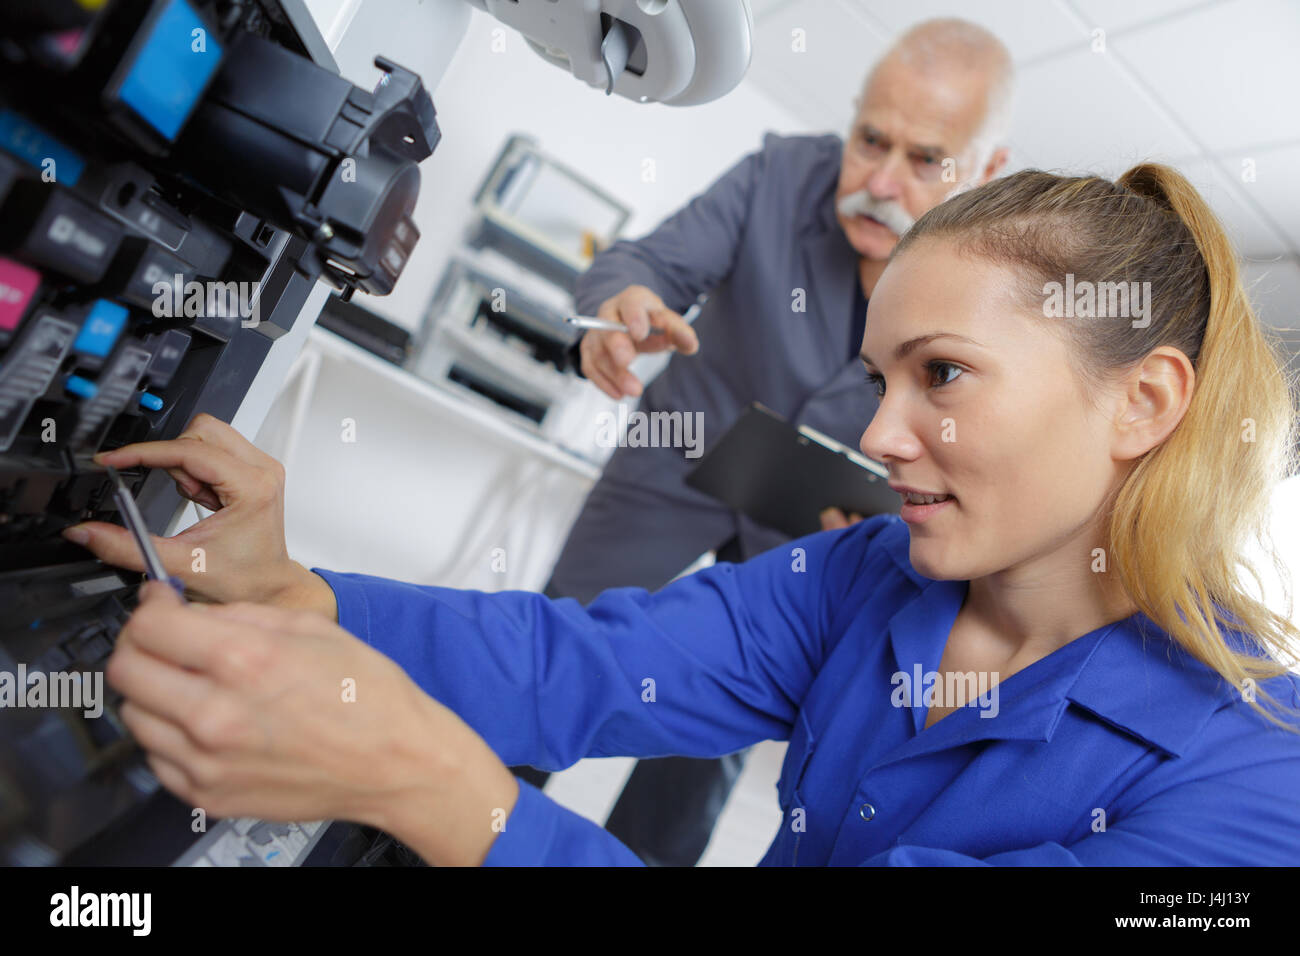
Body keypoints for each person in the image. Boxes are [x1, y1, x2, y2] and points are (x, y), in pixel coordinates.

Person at [63, 160, 1300, 865]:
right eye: (880, 380)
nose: (875, 435)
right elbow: (584, 663)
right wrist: (296, 592)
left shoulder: (1257, 780)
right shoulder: (869, 574)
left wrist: (437, 785)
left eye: (944, 373)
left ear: (1141, 402)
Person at [527, 17, 1014, 865]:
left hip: (809, 530)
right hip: (676, 462)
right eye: (870, 142)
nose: (882, 181)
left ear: (984, 171)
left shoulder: (995, 285)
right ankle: (438, 828)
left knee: (705, 743)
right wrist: (621, 307)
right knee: (553, 652)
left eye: (925, 160)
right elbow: (645, 263)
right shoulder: (780, 172)